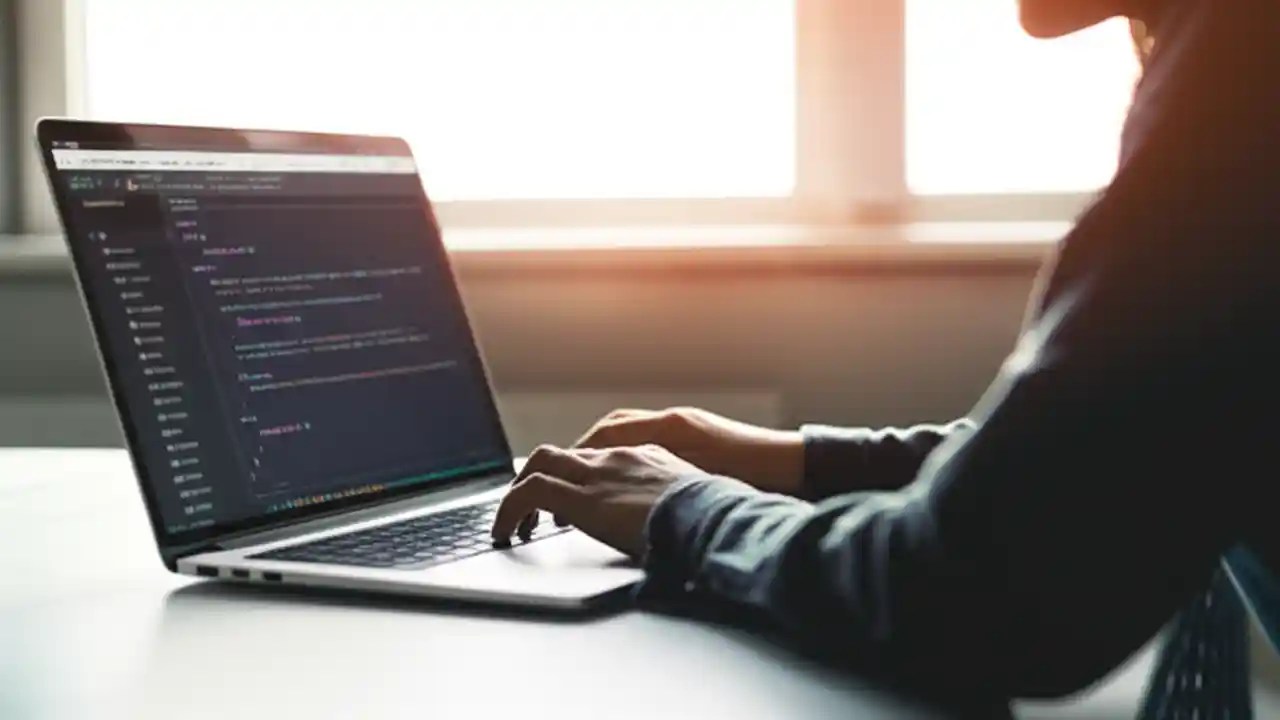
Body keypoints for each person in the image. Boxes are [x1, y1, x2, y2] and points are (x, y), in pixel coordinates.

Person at [491, 0, 1280, 701]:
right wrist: (792, 459)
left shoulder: (1238, 102)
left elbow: (972, 590)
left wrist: (686, 511)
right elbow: (1107, 449)